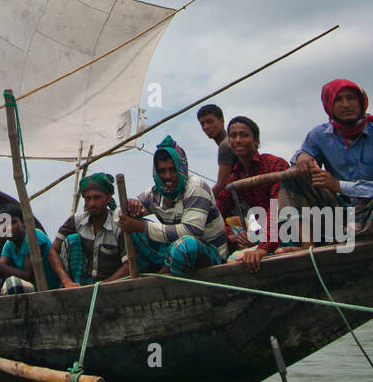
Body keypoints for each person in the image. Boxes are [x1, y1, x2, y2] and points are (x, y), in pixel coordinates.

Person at [283, 79, 373, 244]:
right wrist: (302, 156)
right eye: (338, 99)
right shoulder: (319, 135)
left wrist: (338, 186)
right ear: (328, 105)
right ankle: (305, 245)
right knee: (293, 178)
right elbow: (304, 155)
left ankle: (345, 242)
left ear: (362, 102)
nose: (346, 104)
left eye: (351, 98)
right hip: (345, 211)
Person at [119, 135, 228, 275]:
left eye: (173, 170)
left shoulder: (196, 187)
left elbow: (192, 231)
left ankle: (162, 279)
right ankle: (150, 272)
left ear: (181, 168)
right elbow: (118, 216)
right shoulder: (154, 193)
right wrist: (130, 206)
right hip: (174, 250)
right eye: (162, 171)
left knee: (185, 245)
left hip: (211, 255)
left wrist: (142, 226)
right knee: (132, 229)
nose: (168, 176)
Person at [215, 116, 289, 273]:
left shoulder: (275, 164)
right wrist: (233, 236)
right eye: (233, 136)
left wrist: (262, 247)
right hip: (260, 235)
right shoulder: (234, 178)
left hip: (287, 227)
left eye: (244, 135)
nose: (238, 140)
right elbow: (217, 214)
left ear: (256, 141)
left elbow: (276, 209)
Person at [49, 172, 131, 286]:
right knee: (73, 240)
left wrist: (103, 285)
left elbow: (128, 265)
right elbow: (53, 251)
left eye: (97, 198)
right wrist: (66, 281)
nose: (92, 203)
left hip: (111, 286)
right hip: (80, 285)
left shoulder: (118, 224)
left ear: (108, 197)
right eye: (88, 198)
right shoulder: (76, 221)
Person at [0, 203, 60, 294]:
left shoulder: (34, 236)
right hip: (31, 294)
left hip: (49, 292)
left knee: (13, 284)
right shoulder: (9, 245)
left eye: (13, 222)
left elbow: (28, 276)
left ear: (23, 223)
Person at [197, 104, 237, 186]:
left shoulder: (225, 145)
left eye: (209, 122)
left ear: (222, 121)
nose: (206, 127)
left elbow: (221, 186)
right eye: (202, 124)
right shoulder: (228, 142)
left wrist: (207, 198)